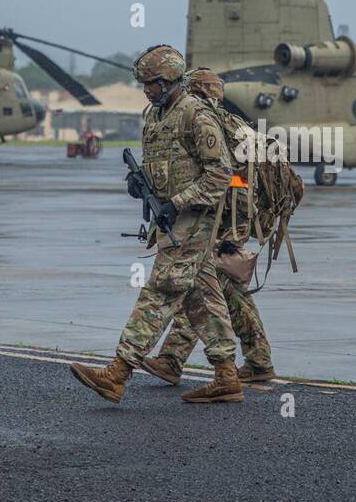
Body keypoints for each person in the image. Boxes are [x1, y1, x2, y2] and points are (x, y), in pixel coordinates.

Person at [69, 45, 244, 405]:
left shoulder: (196, 115)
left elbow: (220, 173)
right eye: (145, 84)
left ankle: (117, 373)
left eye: (152, 83)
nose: (147, 90)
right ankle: (227, 377)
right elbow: (159, 164)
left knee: (162, 290)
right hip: (171, 221)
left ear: (170, 81)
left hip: (192, 220)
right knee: (202, 297)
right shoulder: (153, 115)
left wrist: (177, 203)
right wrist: (138, 184)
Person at [141, 68, 277, 384]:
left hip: (217, 222)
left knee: (200, 289)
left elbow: (226, 178)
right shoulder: (233, 125)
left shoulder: (211, 123)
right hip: (228, 221)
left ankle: (173, 360)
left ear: (198, 91)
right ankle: (258, 361)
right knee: (226, 293)